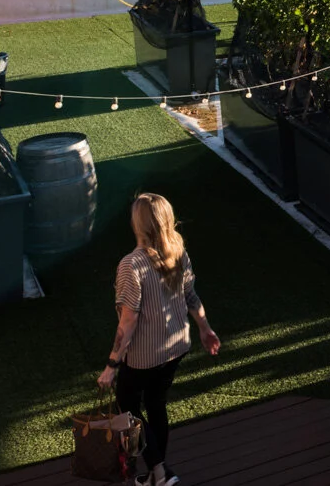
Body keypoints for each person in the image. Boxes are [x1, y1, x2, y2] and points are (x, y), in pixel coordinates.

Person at [98, 194, 221, 486]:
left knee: (127, 408)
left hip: (144, 355)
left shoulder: (131, 265)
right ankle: (157, 474)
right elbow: (190, 295)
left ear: (138, 223)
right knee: (156, 404)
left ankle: (161, 473)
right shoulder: (177, 250)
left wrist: (111, 365)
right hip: (176, 346)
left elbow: (128, 321)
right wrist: (205, 328)